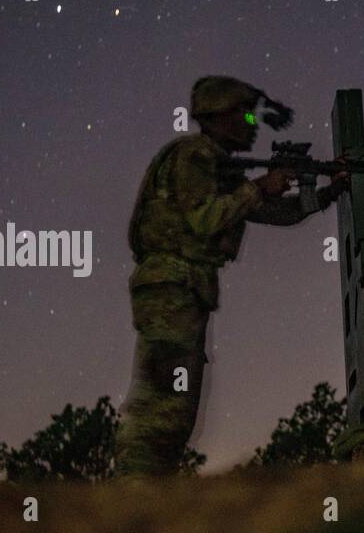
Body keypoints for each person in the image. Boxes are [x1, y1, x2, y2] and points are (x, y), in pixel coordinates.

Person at [115, 76, 348, 476]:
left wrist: (325, 192)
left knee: (178, 406)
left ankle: (147, 493)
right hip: (172, 288)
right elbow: (205, 219)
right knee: (163, 403)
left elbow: (276, 212)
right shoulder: (194, 155)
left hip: (184, 291)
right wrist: (260, 187)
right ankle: (133, 492)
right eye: (244, 115)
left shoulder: (219, 168)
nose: (253, 125)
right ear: (219, 118)